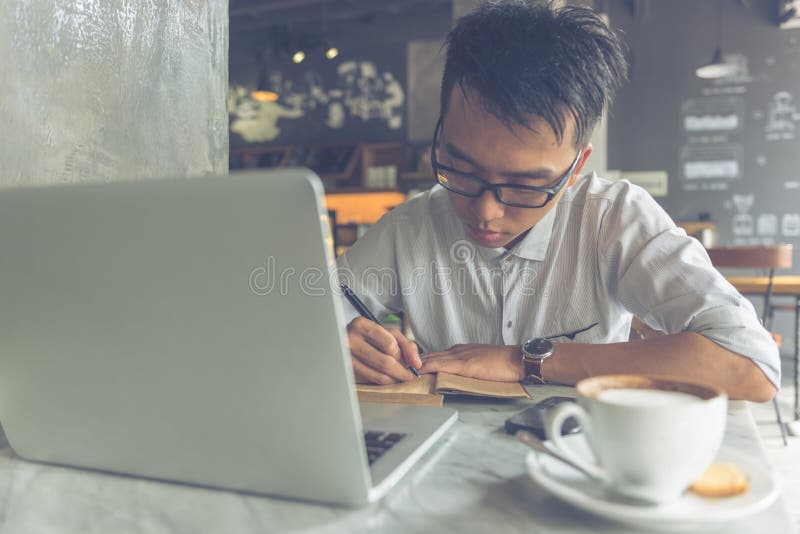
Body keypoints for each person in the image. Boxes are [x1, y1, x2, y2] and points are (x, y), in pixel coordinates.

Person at [336, 0, 779, 402]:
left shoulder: (613, 218)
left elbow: (750, 363)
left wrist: (527, 360)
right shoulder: (413, 224)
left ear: (576, 167)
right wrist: (339, 340)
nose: (486, 211)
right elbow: (298, 317)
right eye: (460, 168)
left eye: (526, 185)